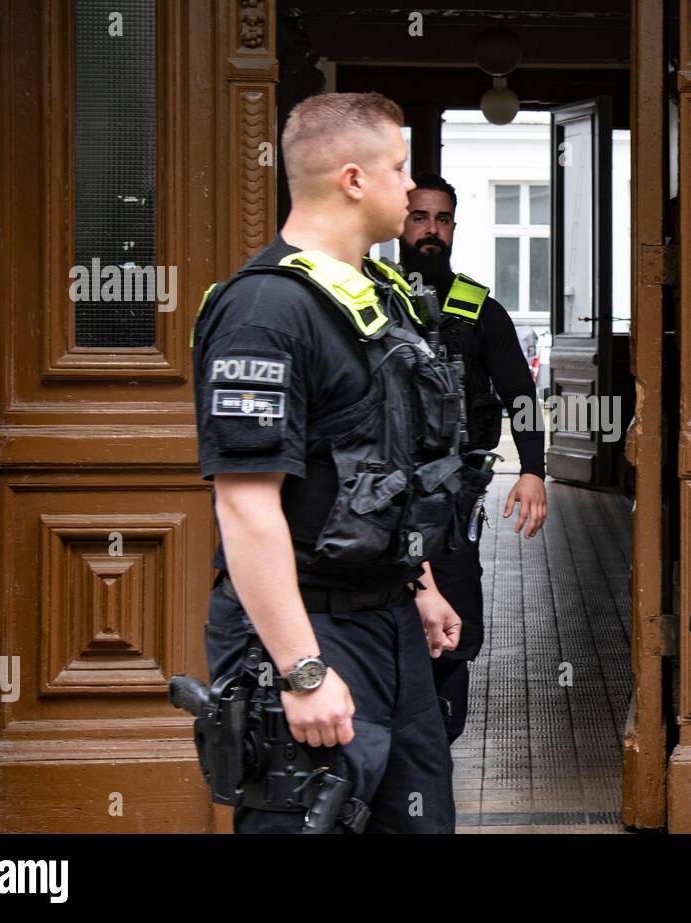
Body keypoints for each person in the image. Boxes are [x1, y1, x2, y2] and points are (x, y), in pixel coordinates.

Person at [191, 92, 467, 833]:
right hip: (309, 630)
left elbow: (391, 468)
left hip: (391, 625)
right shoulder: (264, 312)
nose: (412, 190)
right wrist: (301, 670)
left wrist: (422, 584)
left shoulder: (382, 301)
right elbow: (246, 505)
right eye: (400, 169)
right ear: (353, 178)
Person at [396, 172, 548, 743]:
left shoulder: (480, 310)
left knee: (452, 638)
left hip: (454, 507)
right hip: (383, 502)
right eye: (419, 217)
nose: (431, 230)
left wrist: (532, 470)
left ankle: (435, 748)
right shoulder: (373, 299)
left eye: (442, 219)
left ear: (454, 226)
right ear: (400, 222)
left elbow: (521, 398)